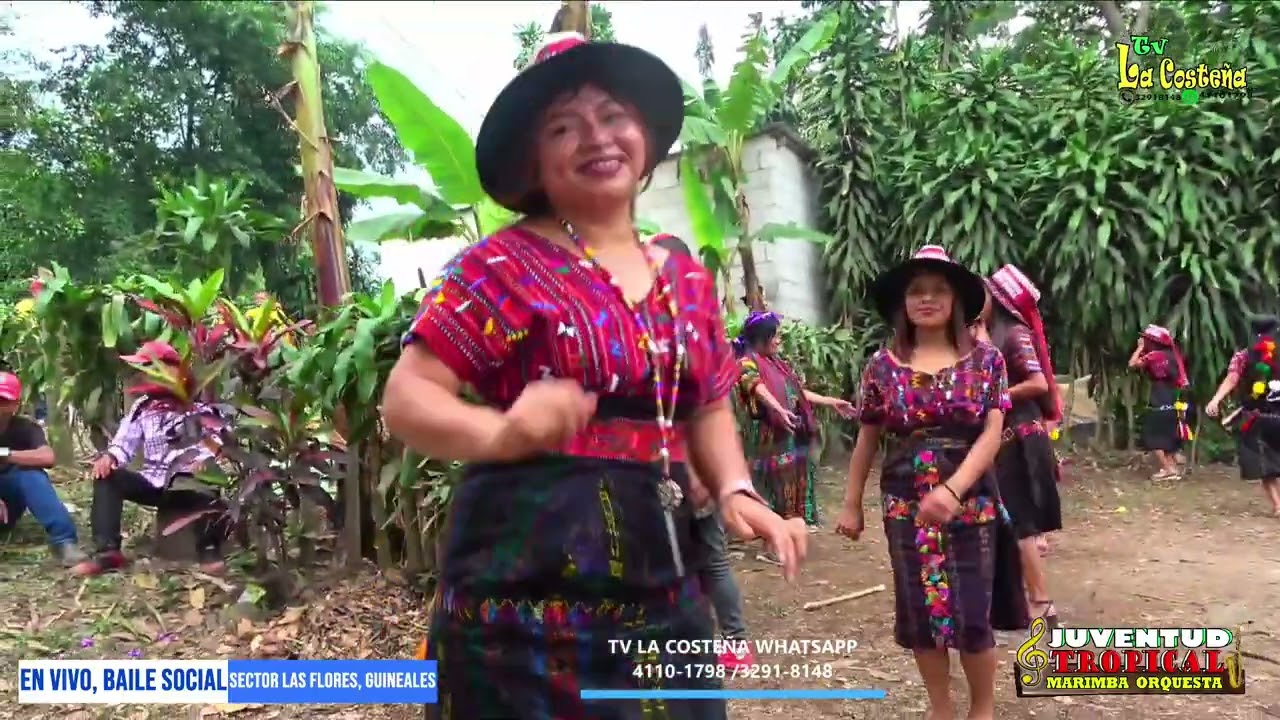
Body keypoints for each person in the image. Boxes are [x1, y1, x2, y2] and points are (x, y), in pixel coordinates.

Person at [380, 32, 807, 719]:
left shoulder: (685, 276)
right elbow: (405, 398)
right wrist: (503, 431)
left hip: (662, 573)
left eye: (613, 116)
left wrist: (736, 489)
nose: (596, 137)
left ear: (642, 135)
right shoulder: (500, 265)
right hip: (522, 598)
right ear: (534, 160)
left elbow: (710, 404)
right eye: (563, 126)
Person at [836, 245, 1027, 720]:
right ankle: (940, 709)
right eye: (916, 291)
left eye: (938, 290)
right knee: (922, 616)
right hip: (904, 506)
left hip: (971, 504)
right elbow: (867, 438)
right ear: (902, 303)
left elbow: (992, 432)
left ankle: (981, 710)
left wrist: (954, 488)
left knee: (971, 615)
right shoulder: (882, 366)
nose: (926, 299)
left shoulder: (986, 361)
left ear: (956, 300)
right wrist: (851, 503)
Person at [651, 233, 755, 670]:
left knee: (705, 558)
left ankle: (732, 641)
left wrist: (698, 470)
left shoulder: (683, 331)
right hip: (669, 473)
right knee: (694, 560)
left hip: (688, 471)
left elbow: (706, 410)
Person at [73, 341, 229, 576]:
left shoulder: (202, 404)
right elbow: (124, 442)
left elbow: (221, 441)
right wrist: (110, 457)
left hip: (192, 480)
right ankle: (108, 552)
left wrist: (207, 460)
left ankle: (208, 549)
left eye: (151, 368)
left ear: (174, 370)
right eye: (144, 370)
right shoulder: (143, 407)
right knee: (108, 478)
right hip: (154, 482)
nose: (146, 375)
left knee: (208, 481)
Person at [983, 266, 1064, 628]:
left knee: (1020, 523)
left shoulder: (1014, 334)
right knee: (1010, 521)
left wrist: (993, 396)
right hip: (1007, 438)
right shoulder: (989, 335)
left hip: (1019, 439)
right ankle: (1019, 598)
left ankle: (1042, 602)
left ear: (996, 299)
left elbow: (1038, 383)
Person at [734, 310, 855, 541]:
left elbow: (797, 392)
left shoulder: (777, 364)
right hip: (768, 439)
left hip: (790, 434)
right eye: (774, 336)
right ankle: (772, 543)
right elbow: (756, 387)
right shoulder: (746, 362)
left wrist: (831, 402)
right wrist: (779, 409)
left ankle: (787, 534)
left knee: (793, 486)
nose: (779, 340)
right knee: (774, 488)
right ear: (761, 338)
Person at [0, 372, 86, 566]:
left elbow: (48, 457)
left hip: (9, 501)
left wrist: (5, 454)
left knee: (31, 475)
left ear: (14, 405)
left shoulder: (26, 428)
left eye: (2, 401)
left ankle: (64, 543)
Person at [1206, 314, 1280, 514]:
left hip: (1255, 418)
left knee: (1264, 463)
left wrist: (1216, 399)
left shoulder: (1244, 356)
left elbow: (1232, 379)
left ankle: (1278, 505)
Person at [1129, 325, 1193, 480]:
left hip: (1160, 399)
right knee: (1167, 436)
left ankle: (1167, 469)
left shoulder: (1155, 356)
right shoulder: (1173, 355)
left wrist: (1139, 348)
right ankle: (1172, 469)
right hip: (1175, 400)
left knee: (1153, 436)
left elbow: (1132, 364)